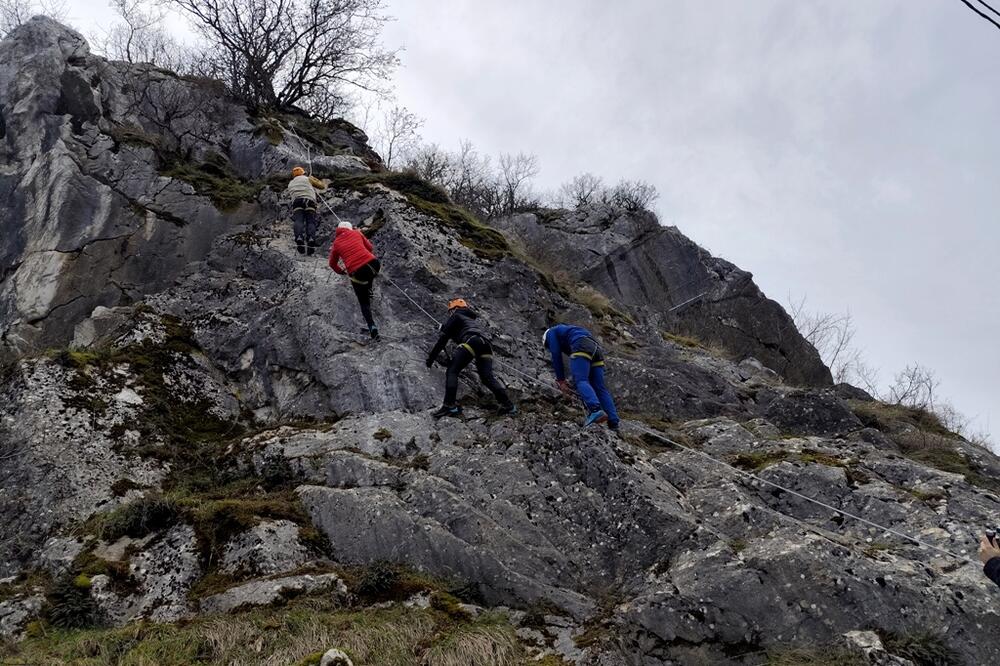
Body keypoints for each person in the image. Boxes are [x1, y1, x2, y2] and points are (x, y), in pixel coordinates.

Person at [425, 299, 516, 419]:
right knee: (487, 378)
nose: (450, 314)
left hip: (471, 341)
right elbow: (459, 334)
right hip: (485, 345)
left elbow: (443, 340)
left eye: (450, 312)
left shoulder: (456, 315)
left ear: (454, 309)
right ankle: (508, 405)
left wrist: (430, 359)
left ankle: (449, 406)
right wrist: (447, 330)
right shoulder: (471, 319)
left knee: (452, 371)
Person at [542, 324, 620, 429]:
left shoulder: (551, 333)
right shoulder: (567, 331)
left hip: (581, 345)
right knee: (600, 387)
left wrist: (561, 380)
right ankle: (613, 422)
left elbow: (556, 354)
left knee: (581, 380)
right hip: (595, 348)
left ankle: (595, 410)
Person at [328, 221, 381, 339]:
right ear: (350, 228)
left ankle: (372, 327)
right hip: (373, 264)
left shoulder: (336, 243)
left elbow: (332, 263)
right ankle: (370, 288)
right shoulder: (357, 233)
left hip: (356, 272)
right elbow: (370, 248)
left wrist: (341, 271)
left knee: (364, 303)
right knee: (369, 275)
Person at [286, 166, 327, 255]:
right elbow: (322, 186)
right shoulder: (308, 179)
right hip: (309, 201)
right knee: (311, 221)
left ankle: (299, 237)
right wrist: (312, 178)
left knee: (299, 220)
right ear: (303, 173)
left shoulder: (291, 183)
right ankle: (311, 238)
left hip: (297, 202)